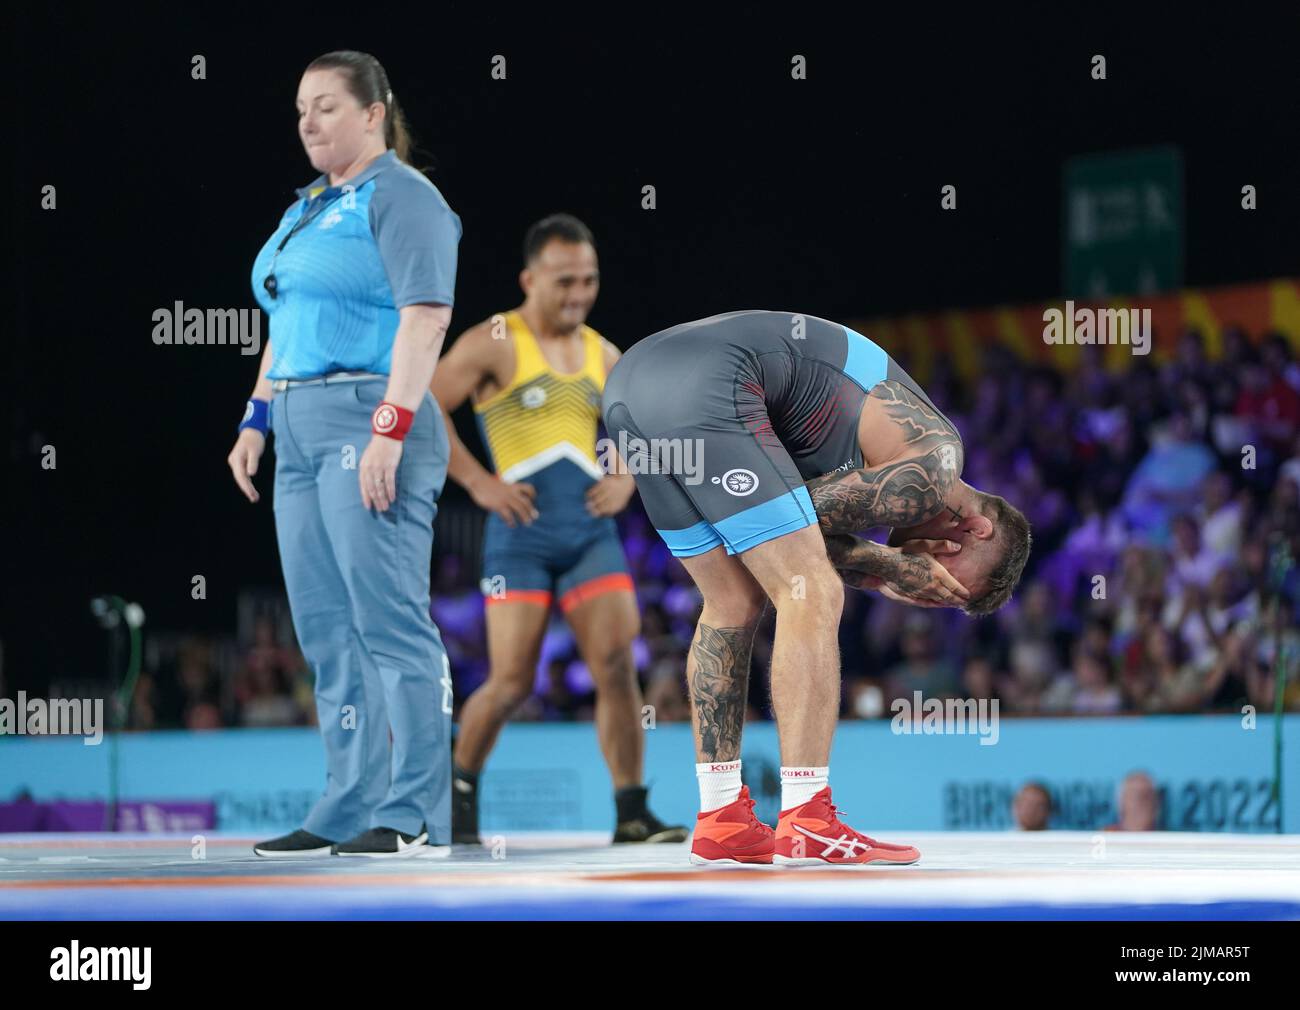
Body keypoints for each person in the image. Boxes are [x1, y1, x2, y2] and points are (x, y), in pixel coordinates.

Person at [602, 310, 1032, 865]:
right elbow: (794, 522)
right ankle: (808, 817)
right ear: (975, 530)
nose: (927, 578)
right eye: (943, 579)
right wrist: (889, 566)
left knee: (733, 598)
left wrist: (883, 566)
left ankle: (721, 816)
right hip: (706, 382)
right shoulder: (935, 472)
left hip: (631, 388)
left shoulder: (900, 465)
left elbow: (764, 529)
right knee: (814, 590)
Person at [228, 50, 461, 857]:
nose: (308, 121)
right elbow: (285, 320)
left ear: (374, 113)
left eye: (326, 105)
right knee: (326, 631)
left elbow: (426, 319)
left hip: (371, 414)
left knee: (389, 622)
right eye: (300, 109)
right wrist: (256, 417)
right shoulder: (306, 209)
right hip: (295, 425)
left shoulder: (403, 197)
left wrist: (390, 429)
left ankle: (417, 810)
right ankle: (344, 805)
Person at [429, 214, 686, 844]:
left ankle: (631, 810)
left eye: (589, 281)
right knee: (512, 681)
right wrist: (477, 483)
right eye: (563, 282)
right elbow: (425, 402)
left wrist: (624, 478)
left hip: (588, 535)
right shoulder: (495, 339)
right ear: (529, 278)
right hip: (518, 537)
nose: (577, 295)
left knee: (617, 667)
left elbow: (636, 429)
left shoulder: (605, 354)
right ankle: (459, 788)